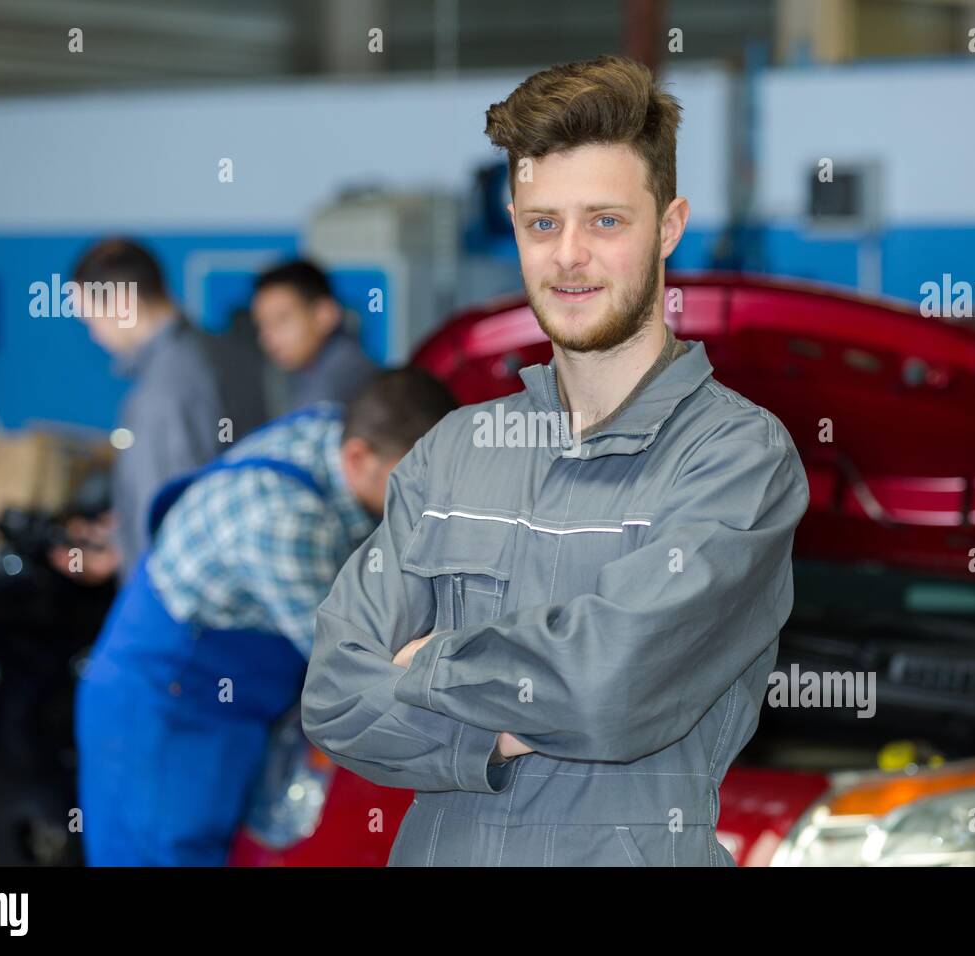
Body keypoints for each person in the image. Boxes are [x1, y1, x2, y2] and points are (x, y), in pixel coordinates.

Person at [300, 54, 810, 867]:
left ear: (669, 225)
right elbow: (332, 694)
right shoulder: (453, 452)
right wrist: (504, 729)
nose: (569, 255)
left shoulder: (738, 459)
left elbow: (611, 689)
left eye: (605, 221)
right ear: (514, 226)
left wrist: (424, 665)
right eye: (544, 223)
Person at [75, 368, 456, 866]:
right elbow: (354, 666)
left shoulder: (334, 432)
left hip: (226, 707)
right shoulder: (287, 522)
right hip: (160, 711)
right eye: (415, 485)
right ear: (359, 457)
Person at [70, 238, 264, 578]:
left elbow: (167, 525)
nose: (94, 335)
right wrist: (121, 535)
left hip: (177, 603)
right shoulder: (223, 355)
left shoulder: (165, 391)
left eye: (90, 318)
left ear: (121, 302)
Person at [250, 259, 379, 415]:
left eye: (281, 319)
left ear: (324, 314)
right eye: (261, 325)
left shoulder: (339, 377)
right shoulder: (295, 373)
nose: (266, 337)